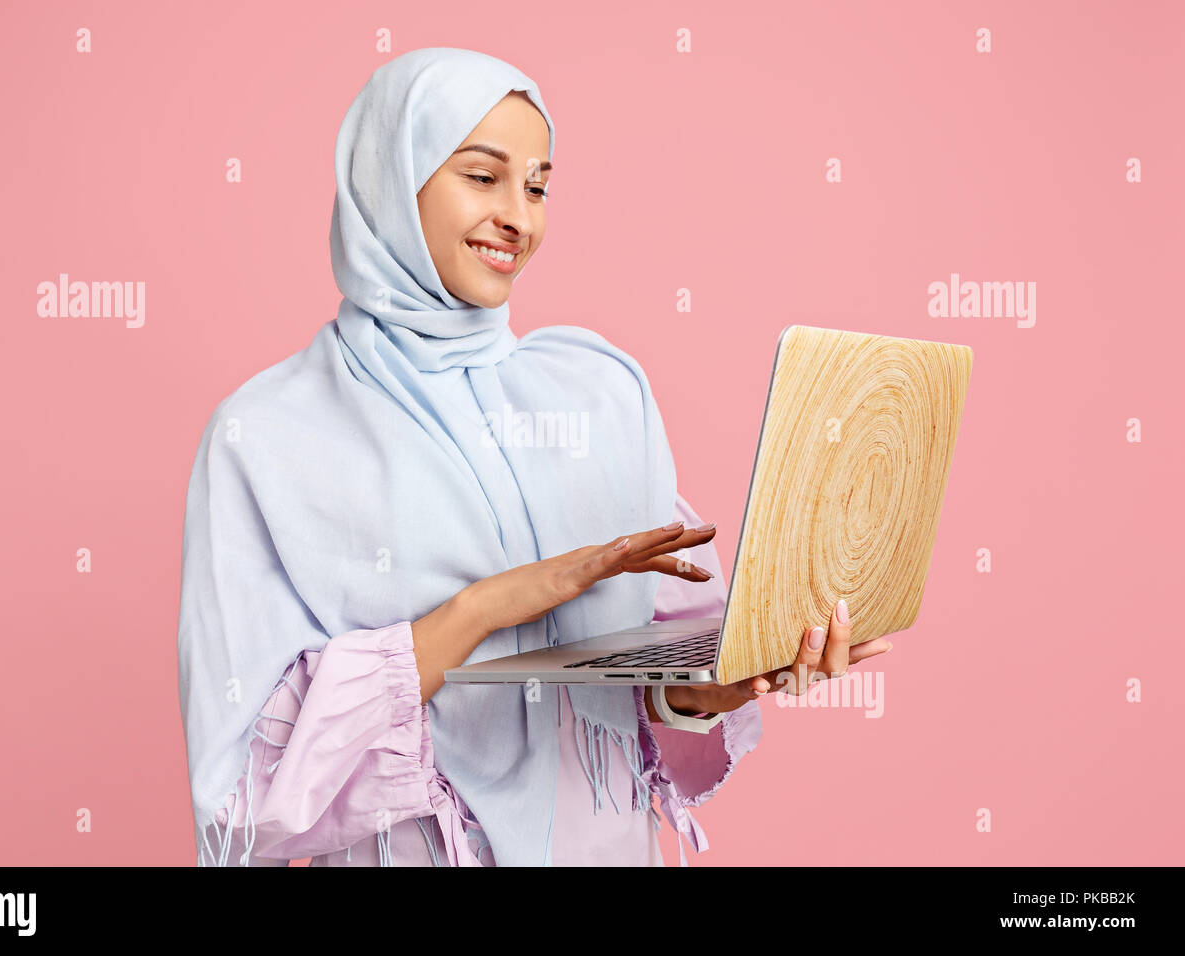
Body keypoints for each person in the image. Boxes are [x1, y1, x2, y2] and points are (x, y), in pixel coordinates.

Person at [176, 47, 892, 867]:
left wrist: (720, 687)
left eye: (538, 185)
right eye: (483, 177)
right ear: (389, 177)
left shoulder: (596, 391)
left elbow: (653, 680)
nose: (519, 216)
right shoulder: (270, 432)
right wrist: (482, 608)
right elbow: (240, 796)